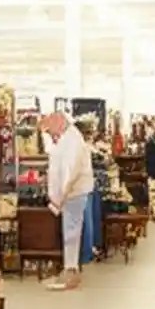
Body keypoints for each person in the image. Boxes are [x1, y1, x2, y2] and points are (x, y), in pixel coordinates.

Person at [41, 112, 95, 291]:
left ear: (59, 123)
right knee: (70, 232)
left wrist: (62, 195)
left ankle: (70, 272)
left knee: (71, 233)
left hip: (73, 194)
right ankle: (70, 270)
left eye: (50, 129)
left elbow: (71, 171)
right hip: (70, 194)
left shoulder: (73, 140)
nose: (50, 133)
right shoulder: (67, 139)